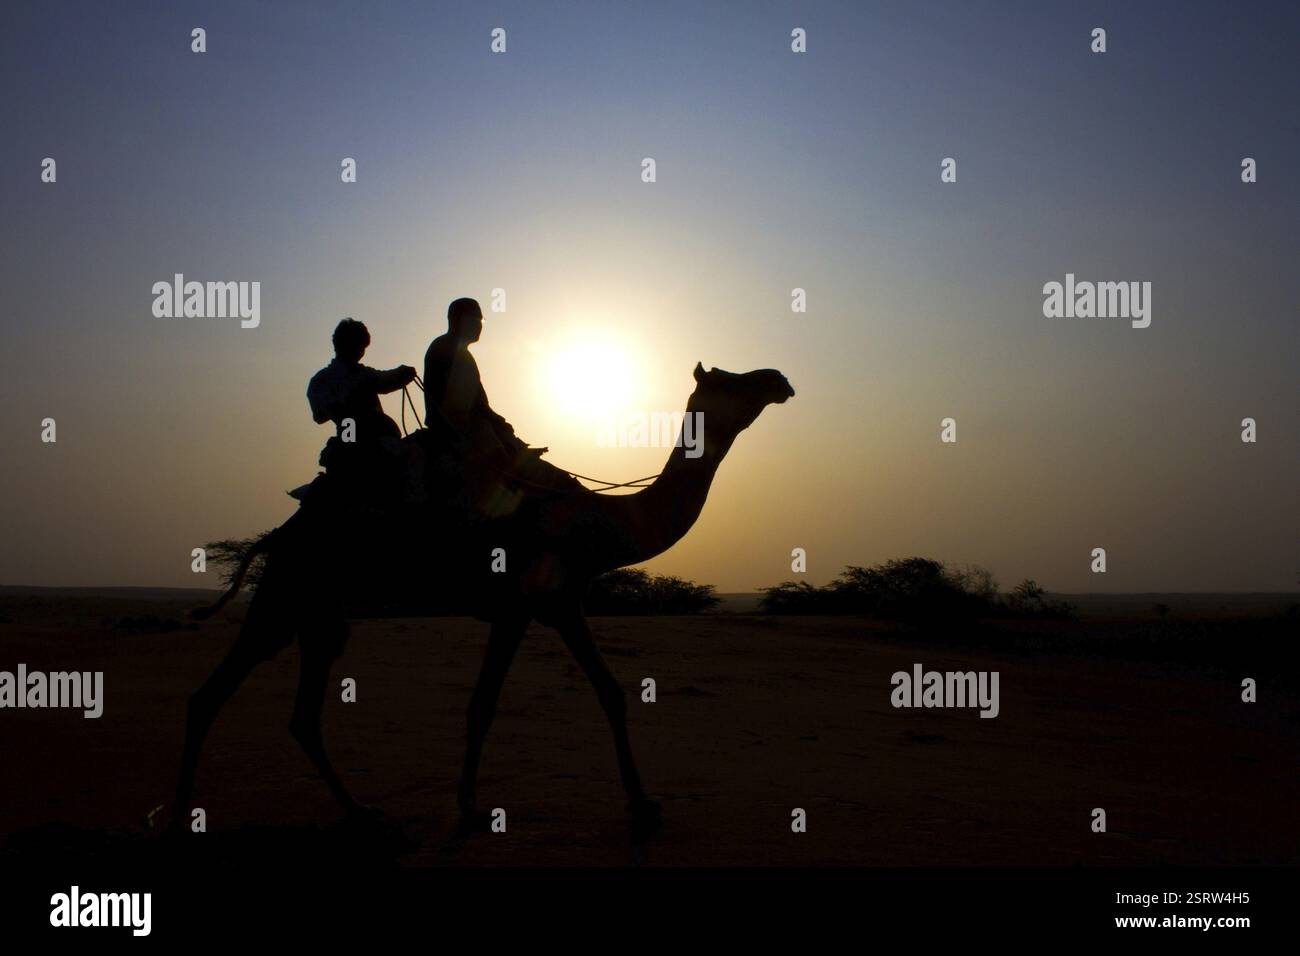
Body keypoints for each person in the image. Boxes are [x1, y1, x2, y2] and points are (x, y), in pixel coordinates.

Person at [422, 298, 578, 516]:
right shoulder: (448, 350)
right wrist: (496, 422)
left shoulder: (454, 350)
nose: (479, 325)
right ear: (458, 320)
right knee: (505, 467)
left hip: (467, 425)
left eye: (480, 320)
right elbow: (466, 404)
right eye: (476, 318)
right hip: (460, 429)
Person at [307, 318, 416, 502]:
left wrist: (401, 374)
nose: (361, 351)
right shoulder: (343, 378)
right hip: (360, 440)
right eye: (359, 345)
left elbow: (386, 379)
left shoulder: (330, 379)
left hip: (361, 438)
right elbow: (385, 380)